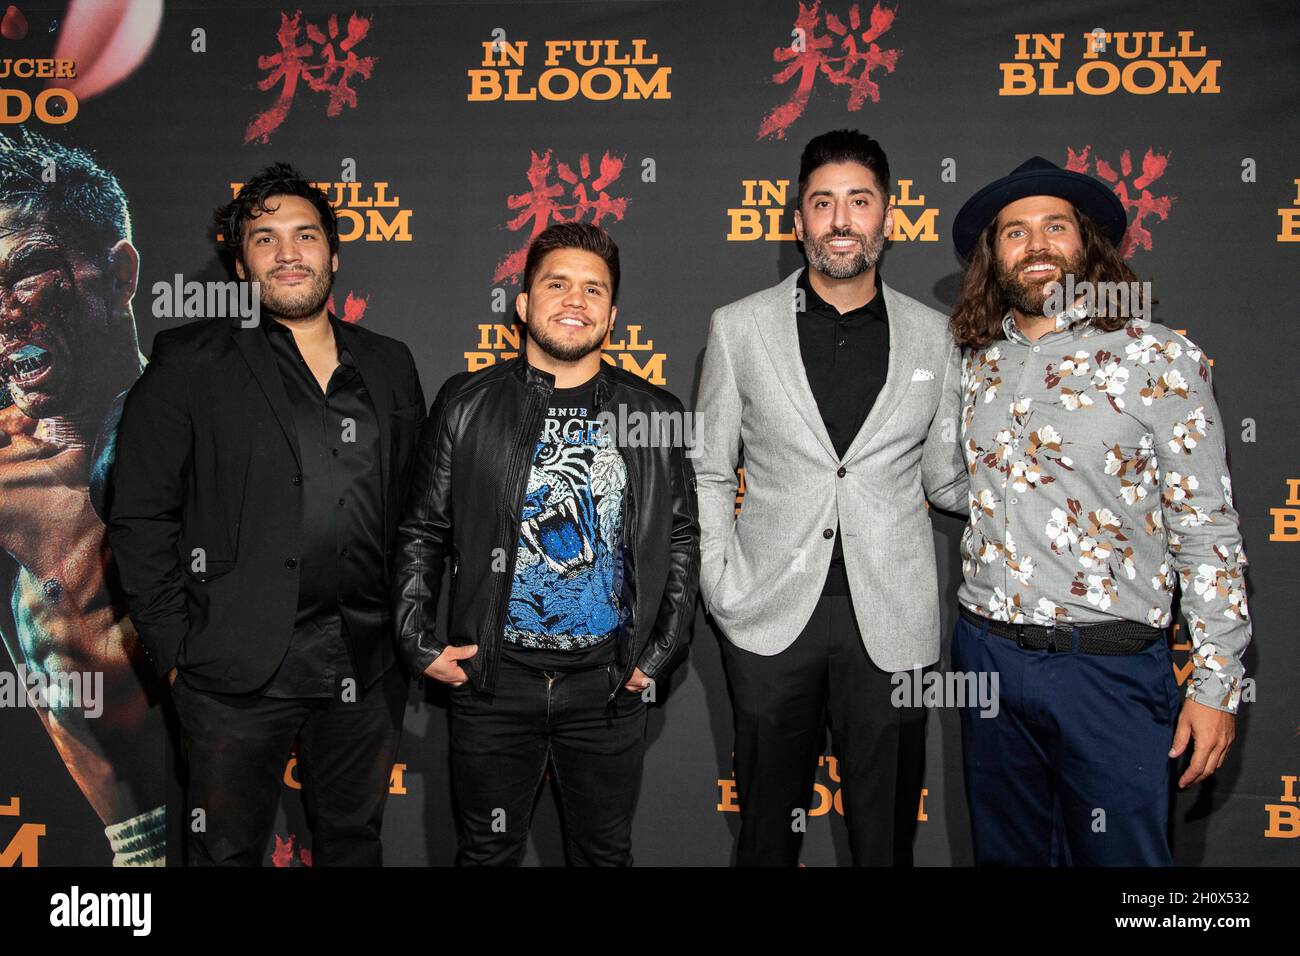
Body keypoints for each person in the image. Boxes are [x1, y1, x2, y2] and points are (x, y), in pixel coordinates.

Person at [108, 163, 424, 865]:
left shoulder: (389, 363)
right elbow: (138, 514)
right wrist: (174, 655)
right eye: (265, 239)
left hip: (364, 662)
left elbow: (416, 511)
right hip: (232, 669)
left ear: (333, 253)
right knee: (225, 853)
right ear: (241, 263)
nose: (288, 253)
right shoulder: (190, 360)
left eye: (305, 235)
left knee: (353, 844)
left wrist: (416, 630)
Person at [947, 156, 1250, 865]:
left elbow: (1206, 529)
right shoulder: (976, 362)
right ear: (993, 256)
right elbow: (966, 485)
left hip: (1108, 670)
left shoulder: (1160, 356)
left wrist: (1216, 684)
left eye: (1055, 226)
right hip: (987, 657)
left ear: (1089, 243)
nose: (1038, 246)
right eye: (1015, 233)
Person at [694, 129, 966, 866]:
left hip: (894, 623)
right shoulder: (738, 328)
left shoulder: (938, 338)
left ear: (888, 216)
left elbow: (945, 477)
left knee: (885, 843)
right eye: (823, 203)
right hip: (768, 619)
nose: (841, 219)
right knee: (764, 842)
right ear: (797, 221)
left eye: (859, 201)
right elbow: (711, 469)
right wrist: (720, 585)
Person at [393, 220, 699, 866]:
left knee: (603, 855)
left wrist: (661, 651)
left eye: (594, 290)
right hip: (494, 684)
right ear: (524, 304)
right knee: (486, 853)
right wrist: (417, 641)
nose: (575, 300)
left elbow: (679, 537)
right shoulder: (465, 404)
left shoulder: (652, 414)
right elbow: (422, 528)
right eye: (557, 284)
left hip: (608, 687)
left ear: (612, 315)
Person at [0, 129, 166, 865]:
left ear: (120, 272)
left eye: (29, 272)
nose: (5, 312)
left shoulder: (211, 423)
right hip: (132, 846)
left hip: (261, 817)